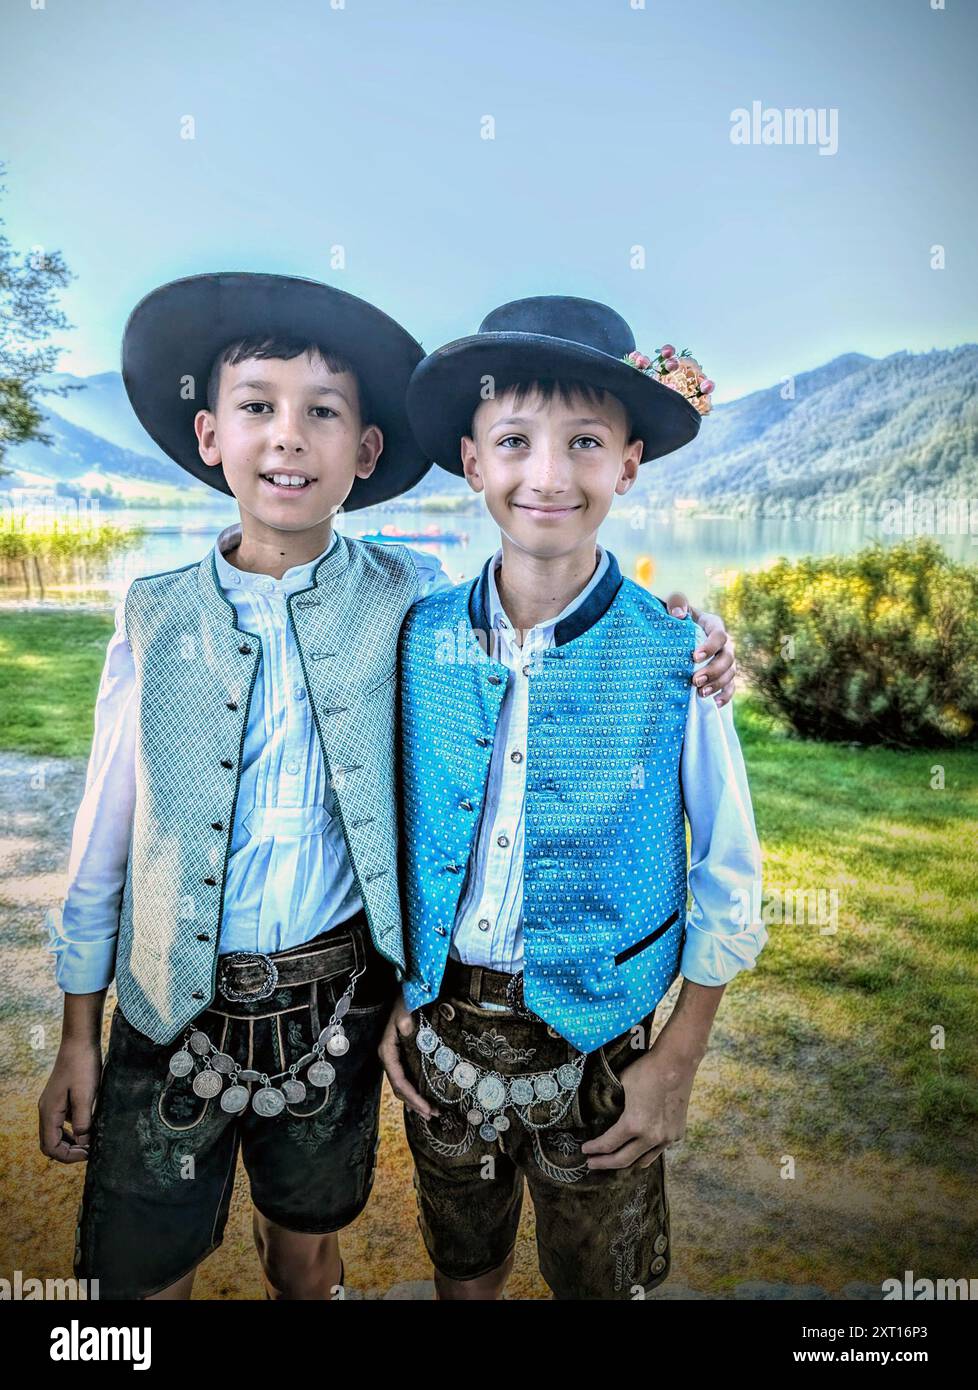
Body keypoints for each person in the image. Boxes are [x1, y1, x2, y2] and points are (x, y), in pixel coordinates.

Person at [38, 272, 454, 1300]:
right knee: (140, 1272)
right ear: (210, 435)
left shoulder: (415, 599)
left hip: (337, 1003)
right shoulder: (154, 615)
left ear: (363, 452)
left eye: (323, 413)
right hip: (164, 1007)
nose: (289, 437)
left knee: (305, 1248)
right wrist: (78, 1039)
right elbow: (100, 843)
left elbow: (531, 626)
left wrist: (675, 625)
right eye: (258, 406)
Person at [380, 295, 766, 1300]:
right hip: (444, 1030)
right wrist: (396, 993)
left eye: (584, 442)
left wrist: (678, 1056)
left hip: (601, 1051)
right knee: (465, 1270)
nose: (547, 475)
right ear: (471, 461)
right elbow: (391, 834)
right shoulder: (416, 638)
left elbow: (729, 870)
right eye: (514, 441)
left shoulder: (677, 653)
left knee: (599, 1285)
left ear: (628, 463)